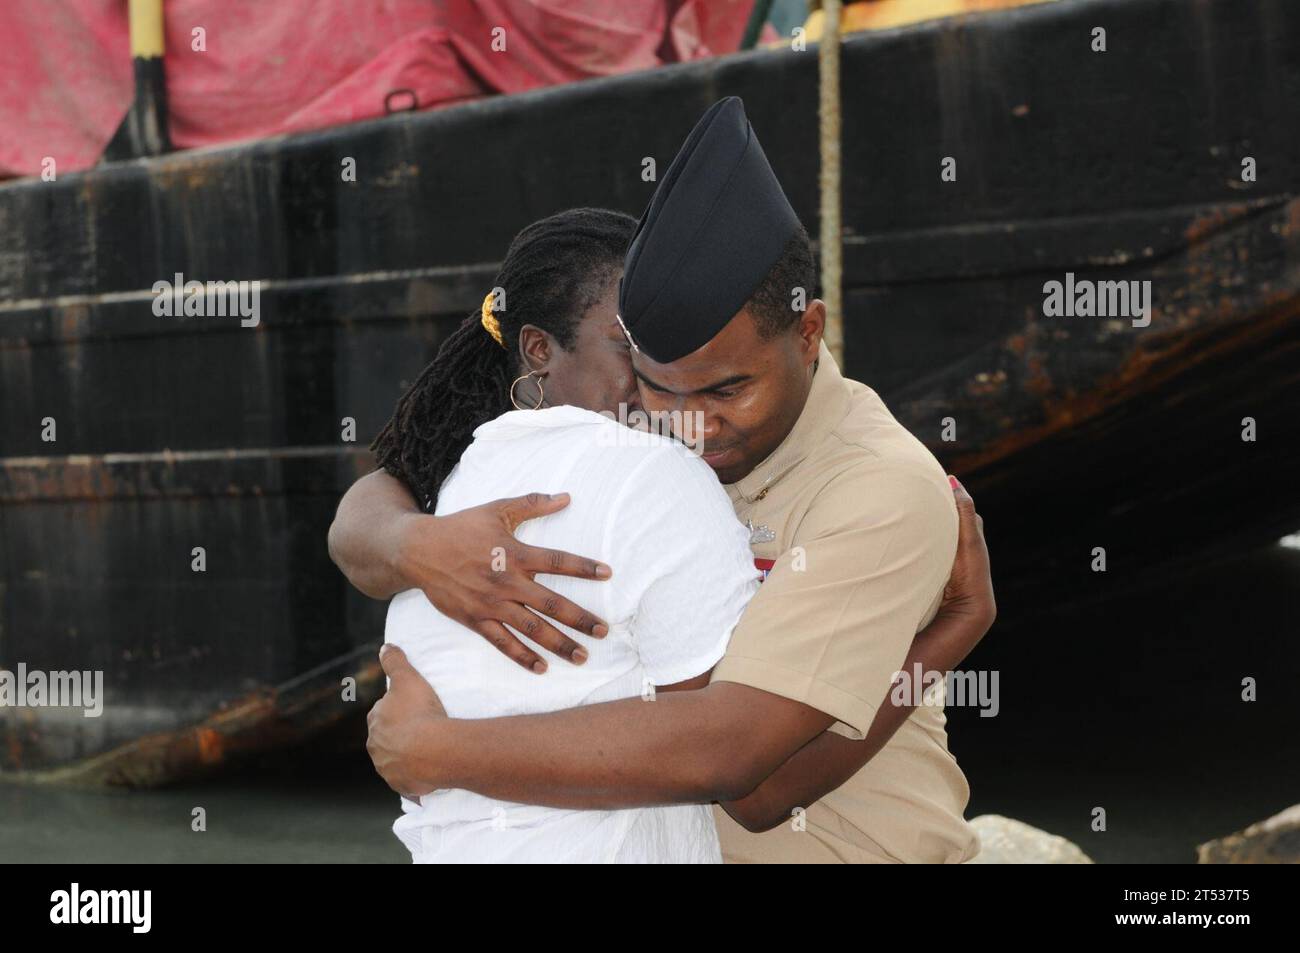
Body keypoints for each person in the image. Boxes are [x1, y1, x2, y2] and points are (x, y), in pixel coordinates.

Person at [336, 97, 996, 863]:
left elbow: (748, 780)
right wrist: (423, 545)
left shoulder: (874, 489)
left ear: (809, 333)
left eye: (724, 391)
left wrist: (442, 751)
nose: (689, 423)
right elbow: (376, 498)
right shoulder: (624, 426)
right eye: (658, 384)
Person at [379, 208, 762, 862]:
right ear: (538, 351)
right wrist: (934, 638)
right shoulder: (655, 474)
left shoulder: (443, 484)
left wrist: (432, 750)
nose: (660, 373)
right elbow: (732, 756)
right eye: (627, 344)